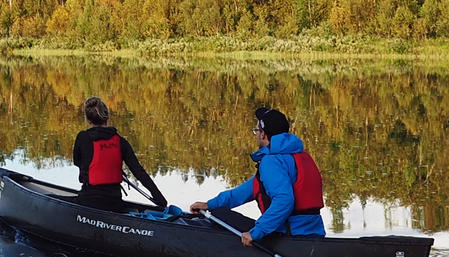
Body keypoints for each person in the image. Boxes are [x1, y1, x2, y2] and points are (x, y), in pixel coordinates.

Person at [188, 105, 325, 243]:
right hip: (314, 233)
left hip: (289, 236)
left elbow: (284, 200)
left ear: (263, 134)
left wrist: (256, 232)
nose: (256, 135)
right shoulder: (299, 156)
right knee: (218, 210)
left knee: (219, 215)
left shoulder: (271, 161)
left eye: (256, 131)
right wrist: (209, 205)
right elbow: (243, 192)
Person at [71, 96, 160, 211]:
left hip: (89, 201)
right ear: (107, 117)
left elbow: (77, 161)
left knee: (52, 198)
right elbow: (139, 172)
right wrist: (159, 198)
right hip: (115, 202)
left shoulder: (82, 137)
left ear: (88, 120)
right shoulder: (121, 141)